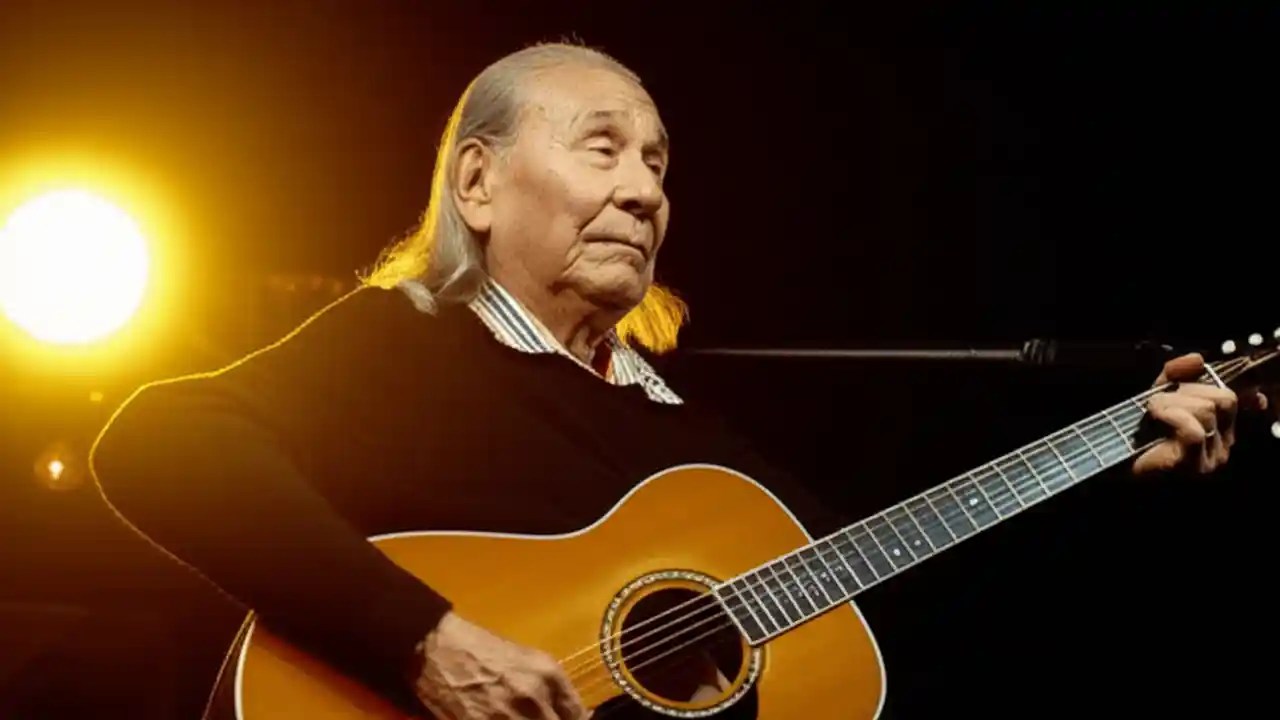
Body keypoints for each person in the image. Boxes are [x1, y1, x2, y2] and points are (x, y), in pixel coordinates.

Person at [88, 42, 1253, 720]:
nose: (644, 189)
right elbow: (157, 443)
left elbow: (889, 621)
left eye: (656, 163)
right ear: (479, 184)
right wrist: (423, 640)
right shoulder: (403, 346)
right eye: (602, 147)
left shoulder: (703, 460)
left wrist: (1115, 457)